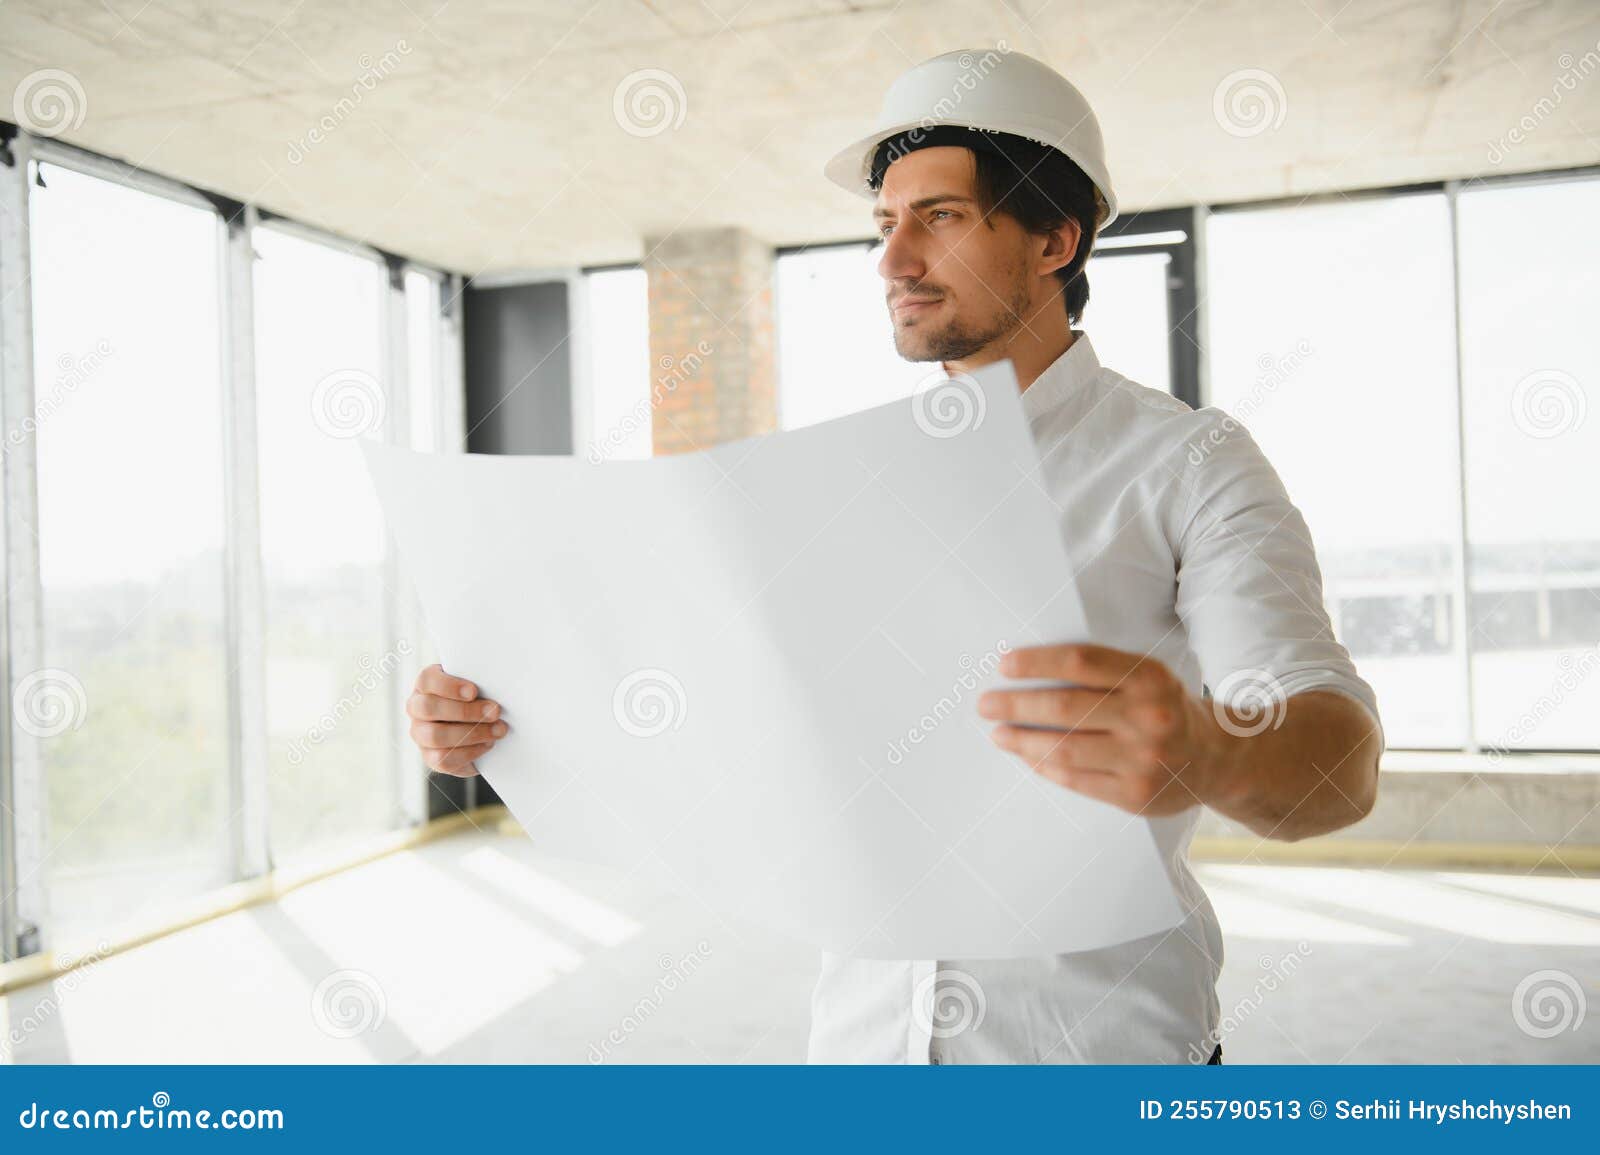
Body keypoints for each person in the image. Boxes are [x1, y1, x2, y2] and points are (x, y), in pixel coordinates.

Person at [405, 48, 1385, 1064]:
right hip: (861, 1052)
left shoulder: (1188, 463)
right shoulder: (849, 485)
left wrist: (1203, 747)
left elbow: (1338, 769)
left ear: (1055, 238)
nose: (892, 260)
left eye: (941, 218)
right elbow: (720, 723)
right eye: (884, 224)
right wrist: (511, 720)